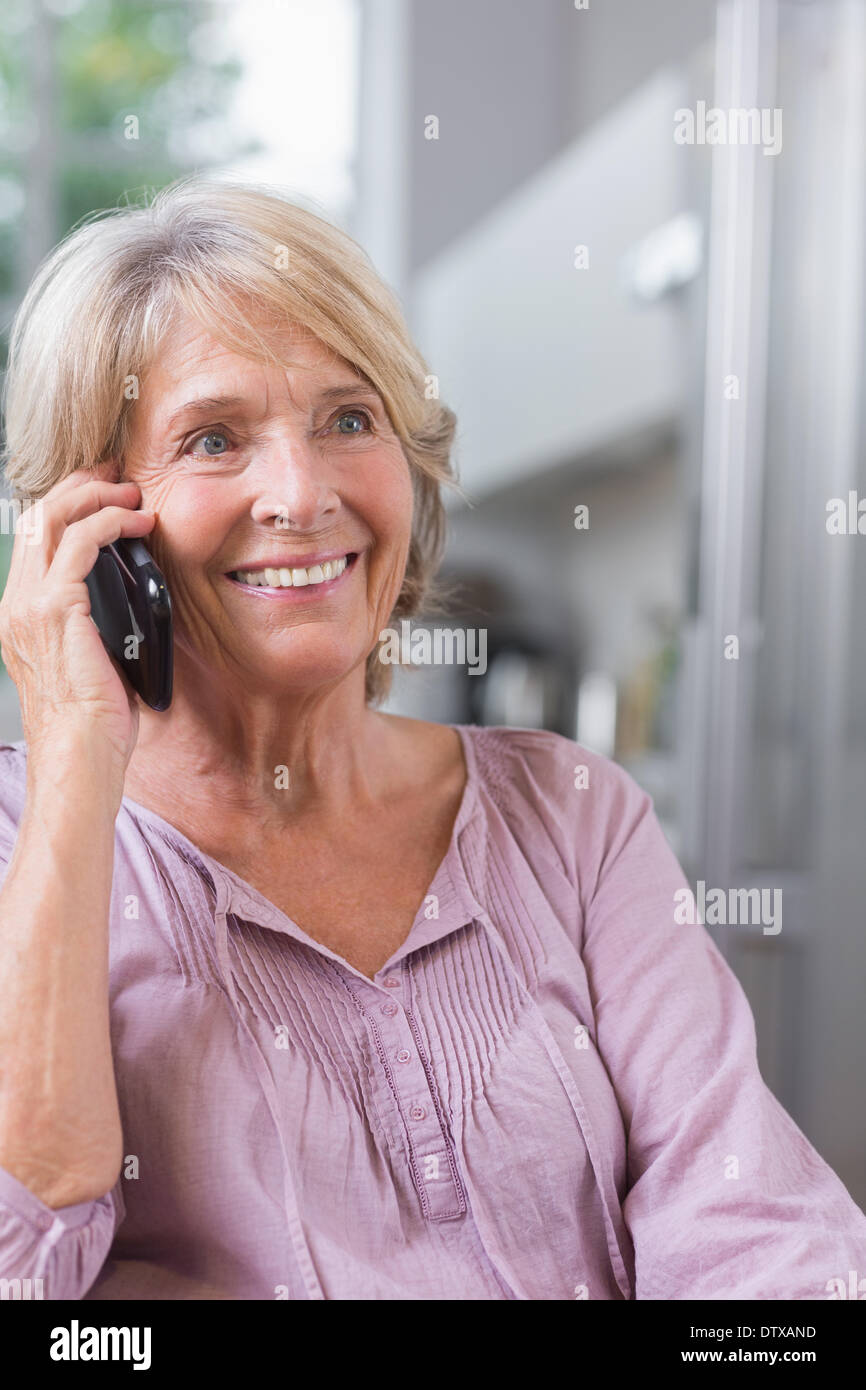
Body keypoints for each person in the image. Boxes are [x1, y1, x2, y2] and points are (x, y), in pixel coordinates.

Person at [0, 178, 863, 1301]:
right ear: (96, 526)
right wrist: (73, 757)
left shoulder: (568, 813)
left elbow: (755, 1233)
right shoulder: (25, 845)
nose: (300, 493)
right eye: (214, 438)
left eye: (348, 419)